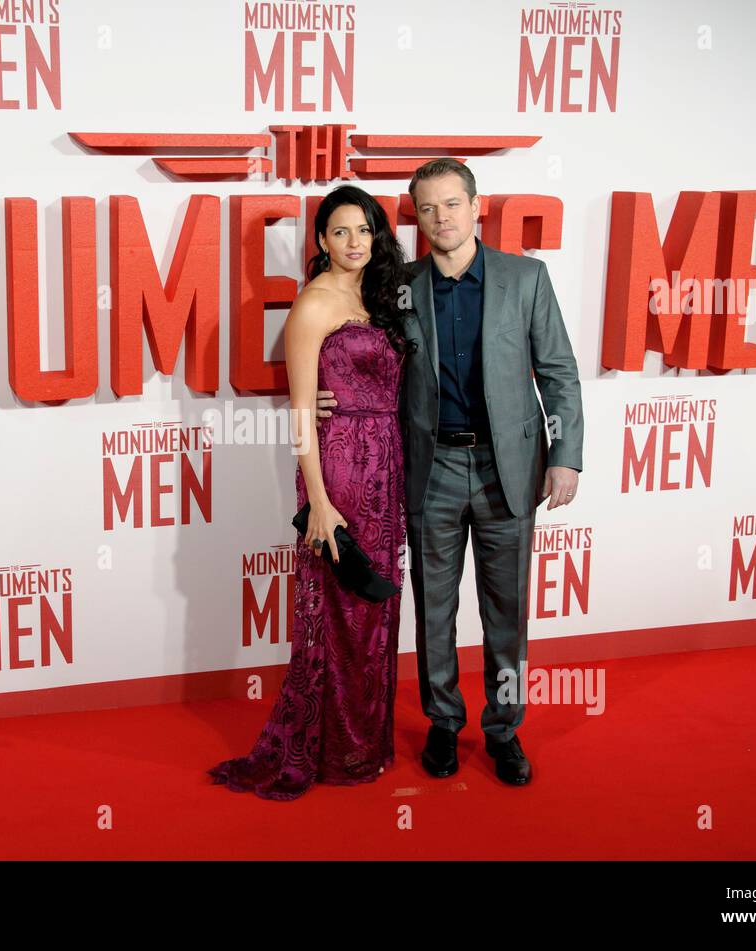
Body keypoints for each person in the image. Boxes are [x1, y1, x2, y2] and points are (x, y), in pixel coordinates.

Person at [317, 159, 584, 785]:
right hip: (428, 468)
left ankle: (504, 729)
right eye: (428, 209)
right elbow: (350, 344)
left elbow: (560, 374)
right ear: (417, 215)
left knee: (506, 610)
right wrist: (324, 394)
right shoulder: (397, 285)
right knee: (434, 605)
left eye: (452, 205)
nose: (441, 219)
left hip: (508, 470)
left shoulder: (527, 278)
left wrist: (565, 454)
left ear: (476, 206)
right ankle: (443, 722)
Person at [208, 185, 415, 800]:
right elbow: (301, 411)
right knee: (340, 605)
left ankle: (365, 746)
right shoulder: (314, 304)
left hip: (387, 462)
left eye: (364, 230)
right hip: (340, 468)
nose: (355, 243)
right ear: (322, 241)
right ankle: (329, 750)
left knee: (376, 609)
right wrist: (320, 504)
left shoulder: (380, 294)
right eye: (341, 232)